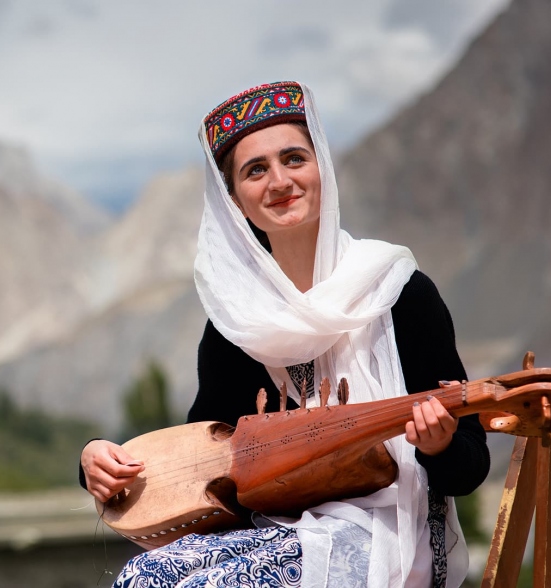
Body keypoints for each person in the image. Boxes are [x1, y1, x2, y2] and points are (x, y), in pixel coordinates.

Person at [79, 81, 490, 588]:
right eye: (255, 170)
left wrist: (439, 445)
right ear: (235, 201)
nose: (279, 181)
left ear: (321, 169)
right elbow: (202, 469)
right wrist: (98, 461)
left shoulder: (399, 291)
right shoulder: (236, 324)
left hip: (389, 535)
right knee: (143, 577)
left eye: (294, 159)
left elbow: (470, 466)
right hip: (273, 531)